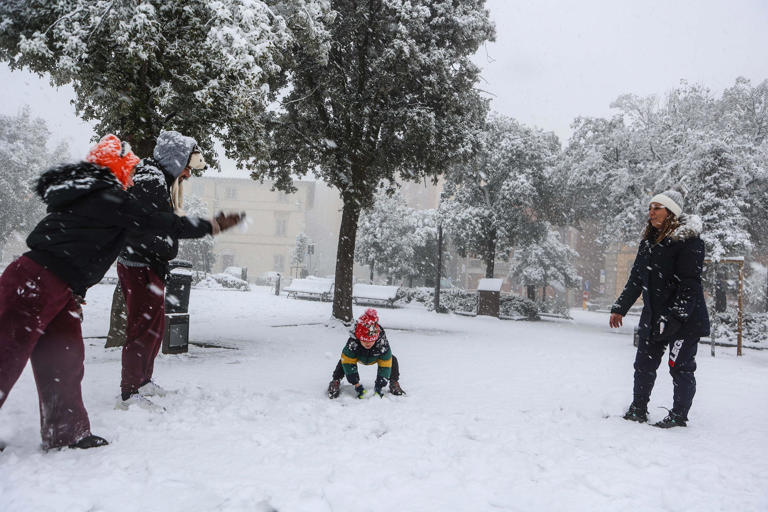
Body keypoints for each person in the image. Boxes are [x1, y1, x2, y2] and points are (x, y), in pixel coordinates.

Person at [0, 134, 242, 451]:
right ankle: (66, 429)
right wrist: (210, 225)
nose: (134, 173)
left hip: (63, 288)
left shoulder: (98, 195)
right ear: (118, 167)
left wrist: (73, 289)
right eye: (130, 167)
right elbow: (161, 222)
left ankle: (67, 432)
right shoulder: (108, 198)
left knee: (66, 360)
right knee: (6, 356)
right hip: (33, 282)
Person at [115, 131, 209, 409]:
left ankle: (143, 380)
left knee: (154, 327)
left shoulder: (159, 180)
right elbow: (148, 226)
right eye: (187, 166)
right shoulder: (150, 180)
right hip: (138, 265)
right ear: (175, 160)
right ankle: (129, 392)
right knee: (141, 327)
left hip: (150, 265)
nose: (188, 173)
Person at [609, 190, 710, 428]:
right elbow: (636, 280)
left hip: (683, 321)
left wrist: (675, 317)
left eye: (657, 208)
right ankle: (638, 409)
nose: (651, 212)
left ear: (671, 212)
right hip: (654, 315)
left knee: (681, 369)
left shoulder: (689, 242)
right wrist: (620, 307)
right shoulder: (648, 243)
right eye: (650, 207)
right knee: (643, 365)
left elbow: (690, 285)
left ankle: (678, 416)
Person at [327, 308, 406, 399]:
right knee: (344, 360)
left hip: (375, 357)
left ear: (375, 339)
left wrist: (379, 386)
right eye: (364, 341)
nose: (368, 343)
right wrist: (356, 384)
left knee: (392, 359)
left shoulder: (382, 344)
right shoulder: (353, 343)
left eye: (371, 341)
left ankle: (394, 382)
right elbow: (348, 362)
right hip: (359, 356)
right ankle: (335, 381)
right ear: (359, 338)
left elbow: (385, 364)